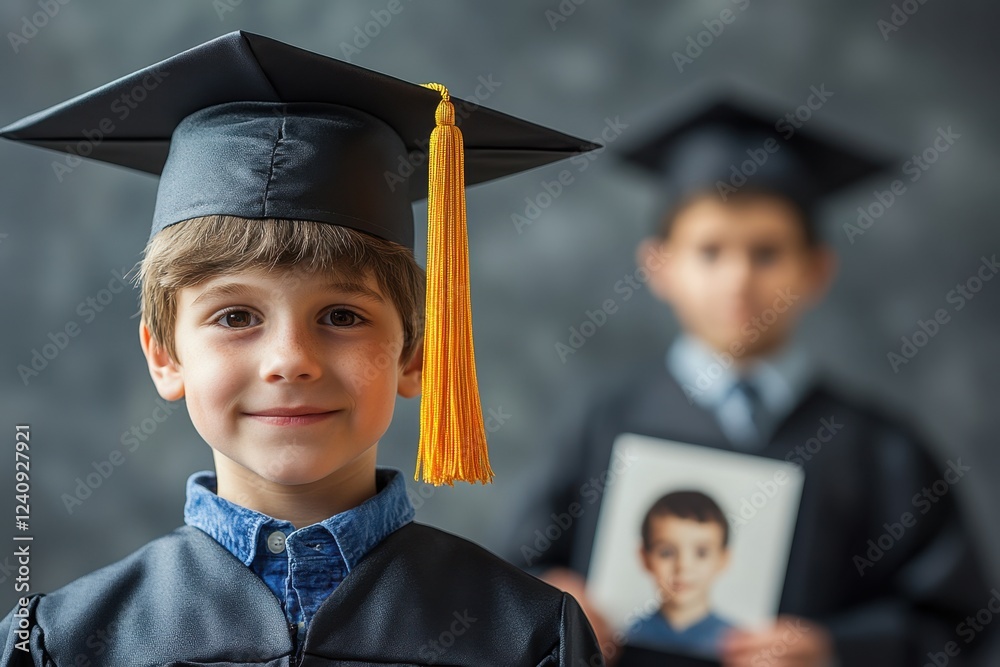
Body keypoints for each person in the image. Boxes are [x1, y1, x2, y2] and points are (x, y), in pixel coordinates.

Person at [0, 31, 604, 666]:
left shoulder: (524, 637)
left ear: (417, 353)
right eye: (235, 316)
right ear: (164, 355)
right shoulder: (64, 641)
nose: (290, 359)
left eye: (341, 315)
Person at [508, 89, 995, 667]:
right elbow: (510, 573)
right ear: (658, 266)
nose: (738, 279)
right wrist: (556, 603)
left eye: (766, 253)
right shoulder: (602, 421)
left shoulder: (879, 447)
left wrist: (838, 652)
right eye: (710, 251)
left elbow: (958, 623)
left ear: (816, 269)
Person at [627, 491, 735, 658]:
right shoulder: (625, 640)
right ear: (645, 558)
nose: (683, 567)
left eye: (701, 553)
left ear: (723, 559)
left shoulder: (736, 647)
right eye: (667, 553)